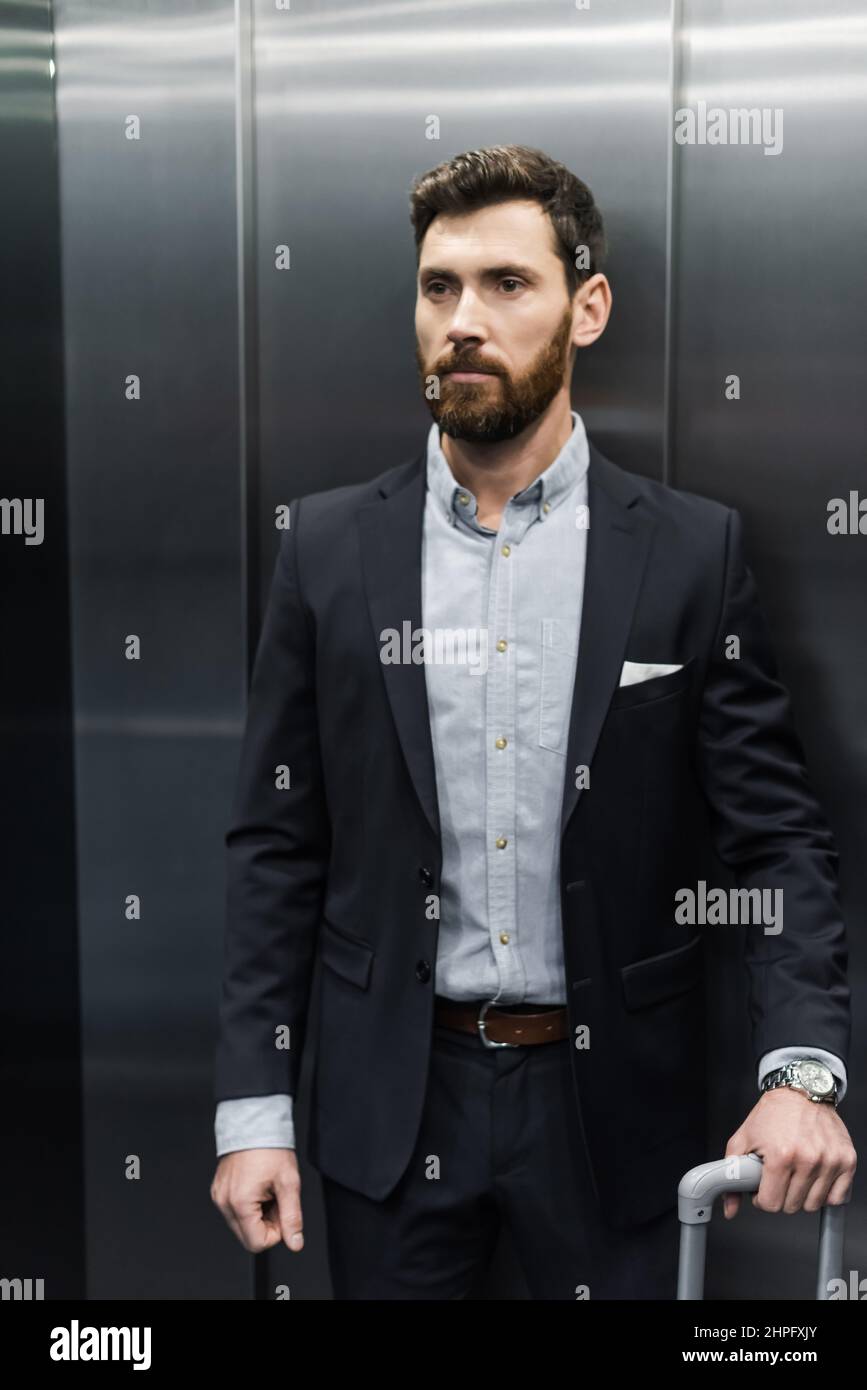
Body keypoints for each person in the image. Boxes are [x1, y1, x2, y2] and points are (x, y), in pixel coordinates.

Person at [210, 145, 855, 1299]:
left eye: (508, 284)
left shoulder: (691, 551)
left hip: (614, 1110)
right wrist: (253, 1106)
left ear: (586, 305)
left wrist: (802, 1071)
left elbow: (775, 841)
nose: (464, 319)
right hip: (388, 1110)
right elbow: (276, 845)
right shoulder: (324, 549)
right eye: (439, 286)